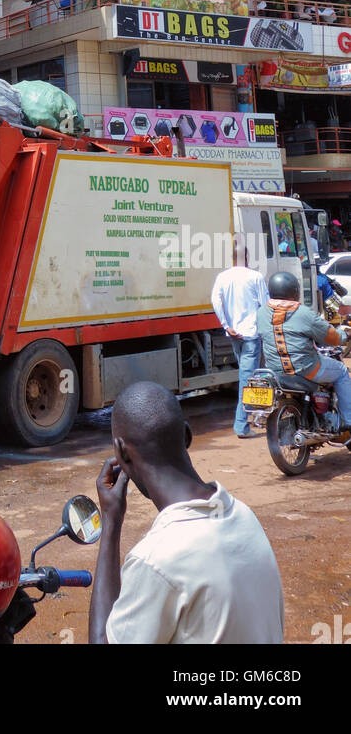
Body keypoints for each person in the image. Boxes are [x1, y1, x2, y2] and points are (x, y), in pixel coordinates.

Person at [88, 381, 284, 644]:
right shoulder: (244, 515)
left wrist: (111, 523)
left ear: (122, 452)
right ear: (187, 435)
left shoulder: (155, 561)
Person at [256, 270, 351, 427]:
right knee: (341, 371)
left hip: (274, 370)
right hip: (305, 368)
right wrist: (344, 335)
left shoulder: (261, 313)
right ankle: (348, 421)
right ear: (295, 291)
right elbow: (332, 337)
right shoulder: (303, 313)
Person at [210, 244, 268, 439]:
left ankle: (255, 414)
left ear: (233, 258)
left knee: (247, 376)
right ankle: (242, 425)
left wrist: (226, 325)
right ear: (247, 257)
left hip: (234, 335)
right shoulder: (255, 277)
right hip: (252, 334)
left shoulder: (223, 277)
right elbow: (265, 305)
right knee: (248, 378)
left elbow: (216, 301)